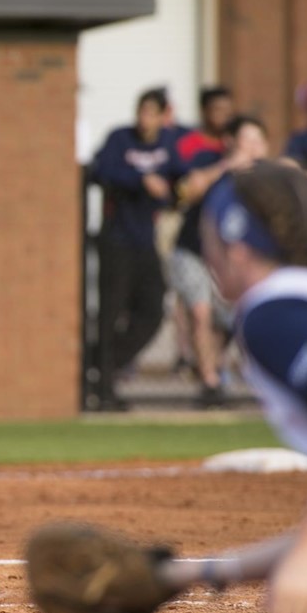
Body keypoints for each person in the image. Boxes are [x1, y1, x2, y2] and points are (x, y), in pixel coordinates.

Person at [164, 162, 307, 613]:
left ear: (238, 249)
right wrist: (197, 573)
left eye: (210, 240)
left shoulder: (273, 311)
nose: (207, 255)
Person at [170, 115, 267, 408]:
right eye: (245, 140)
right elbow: (186, 190)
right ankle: (210, 384)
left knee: (231, 322)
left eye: (256, 140)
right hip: (193, 252)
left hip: (231, 261)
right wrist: (227, 166)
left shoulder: (268, 177)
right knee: (200, 313)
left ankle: (213, 368)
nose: (251, 147)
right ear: (230, 142)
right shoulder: (210, 161)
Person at [91, 88, 179, 410]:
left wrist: (175, 191)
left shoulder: (170, 144)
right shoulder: (120, 139)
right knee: (111, 312)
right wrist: (140, 180)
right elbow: (100, 170)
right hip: (117, 241)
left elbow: (180, 181)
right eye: (141, 111)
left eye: (152, 113)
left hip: (147, 241)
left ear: (163, 116)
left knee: (153, 310)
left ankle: (102, 364)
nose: (145, 119)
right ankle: (101, 387)